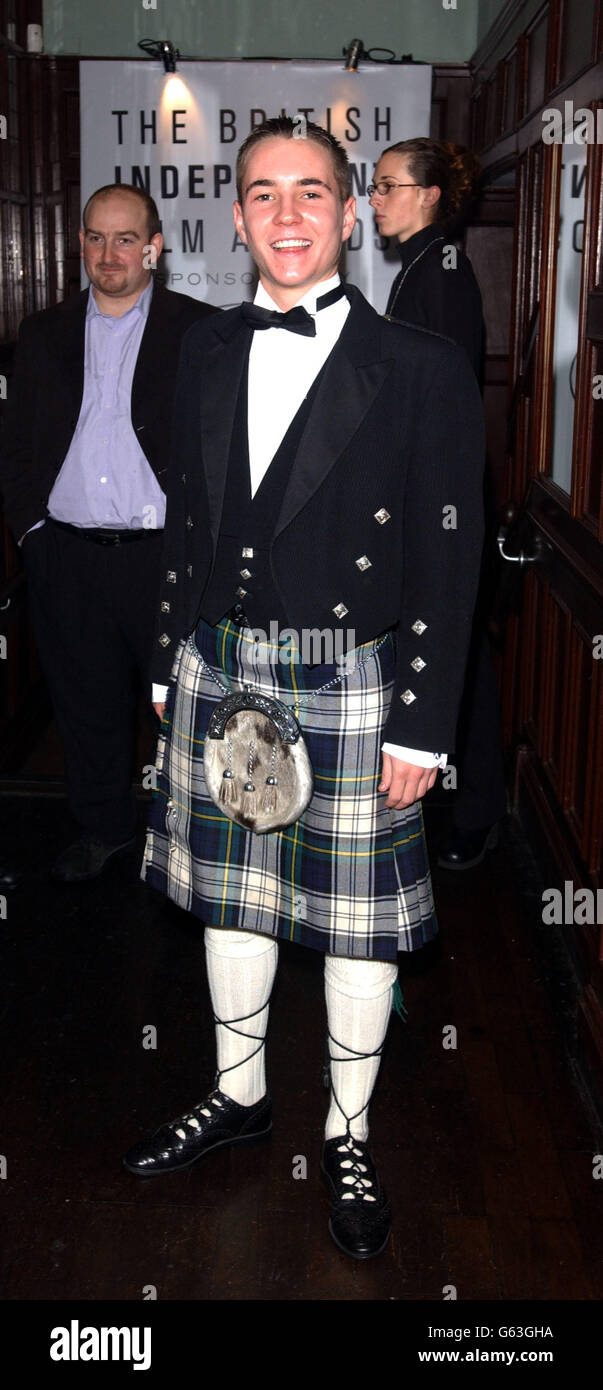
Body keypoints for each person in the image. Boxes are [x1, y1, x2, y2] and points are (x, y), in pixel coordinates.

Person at [123, 118, 485, 1260]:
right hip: (224, 667)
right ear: (234, 218)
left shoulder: (420, 364)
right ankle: (239, 1096)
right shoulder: (203, 350)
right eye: (264, 194)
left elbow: (448, 544)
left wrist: (424, 726)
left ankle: (347, 1128)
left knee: (354, 929)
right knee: (233, 904)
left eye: (313, 194)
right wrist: (171, 660)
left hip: (353, 679)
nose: (288, 214)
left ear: (346, 218)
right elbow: (191, 512)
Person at [0, 185, 216, 881]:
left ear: (153, 246)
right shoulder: (43, 334)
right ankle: (105, 828)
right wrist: (35, 536)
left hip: (163, 560)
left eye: (125, 239)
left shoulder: (201, 333)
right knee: (86, 705)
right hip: (67, 556)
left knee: (180, 708)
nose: (108, 254)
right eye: (95, 238)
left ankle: (187, 840)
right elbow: (16, 450)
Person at [370, 138, 506, 869]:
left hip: (442, 500)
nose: (375, 198)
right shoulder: (422, 266)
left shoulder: (442, 273)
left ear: (428, 196)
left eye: (388, 185)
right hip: (424, 496)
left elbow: (439, 407)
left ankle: (477, 811)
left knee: (461, 657)